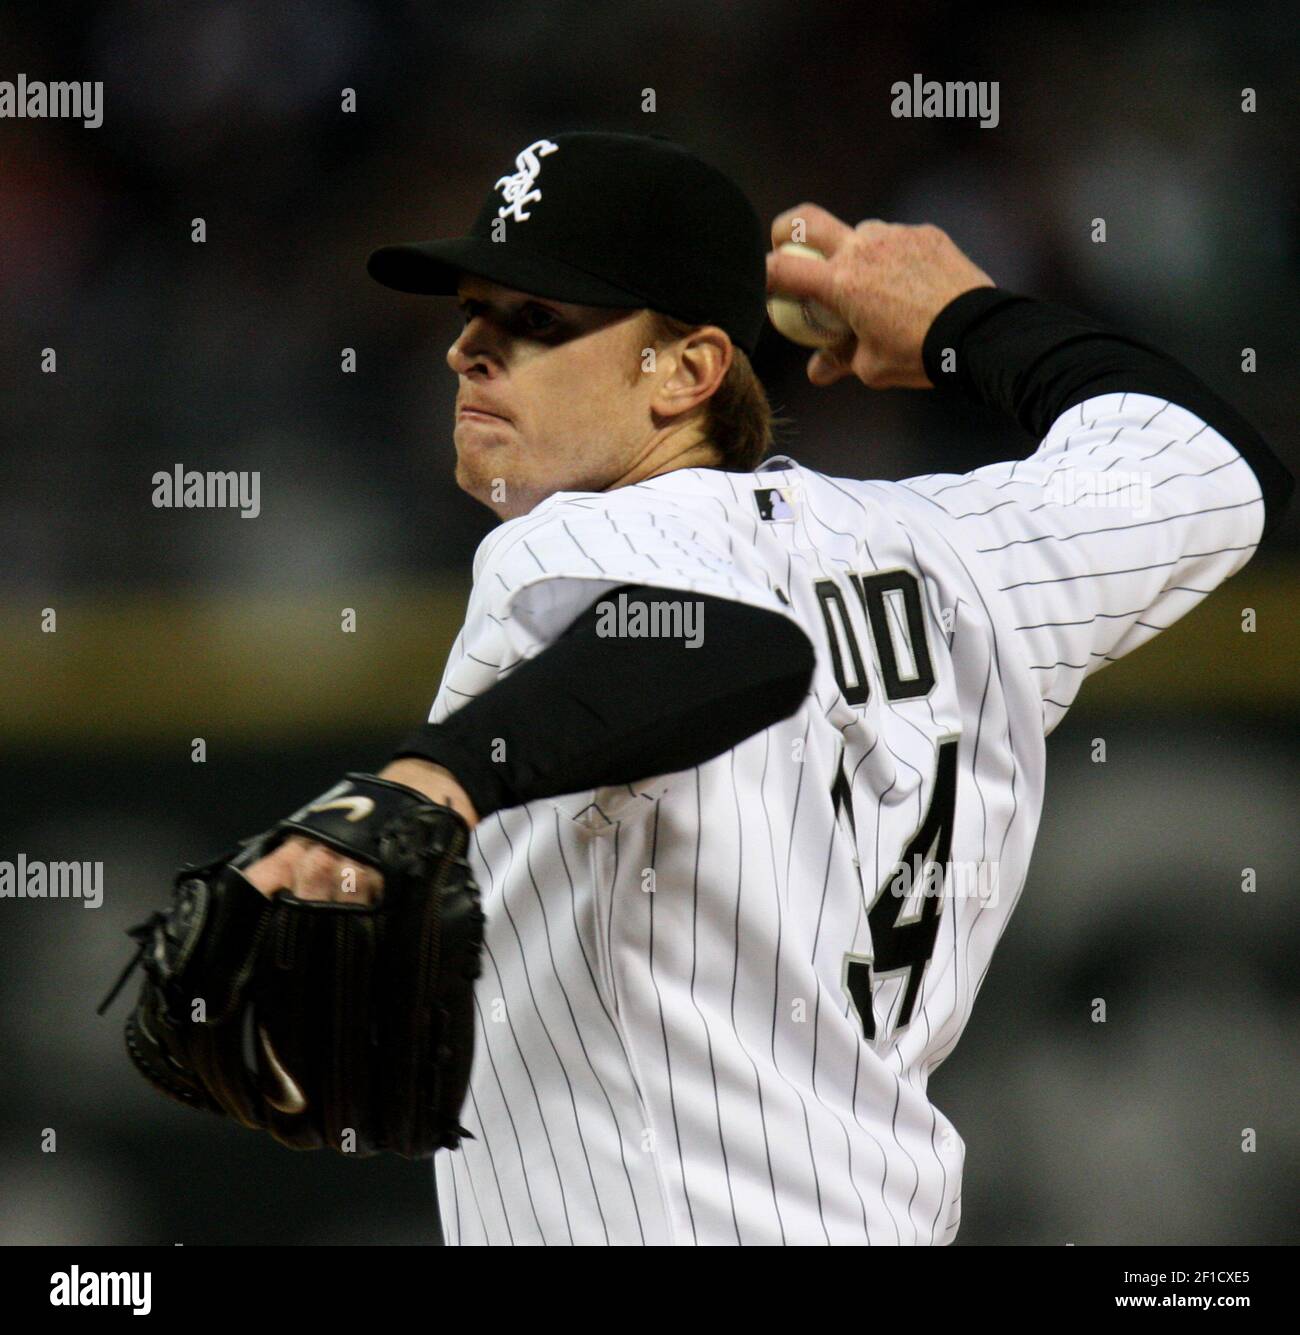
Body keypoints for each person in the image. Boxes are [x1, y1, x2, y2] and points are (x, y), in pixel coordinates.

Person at [242, 131, 1292, 1244]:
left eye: (536, 323)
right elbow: (1211, 461)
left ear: (689, 372)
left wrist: (427, 784)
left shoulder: (577, 542)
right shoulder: (952, 550)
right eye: (472, 312)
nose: (466, 351)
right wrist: (959, 321)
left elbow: (716, 648)